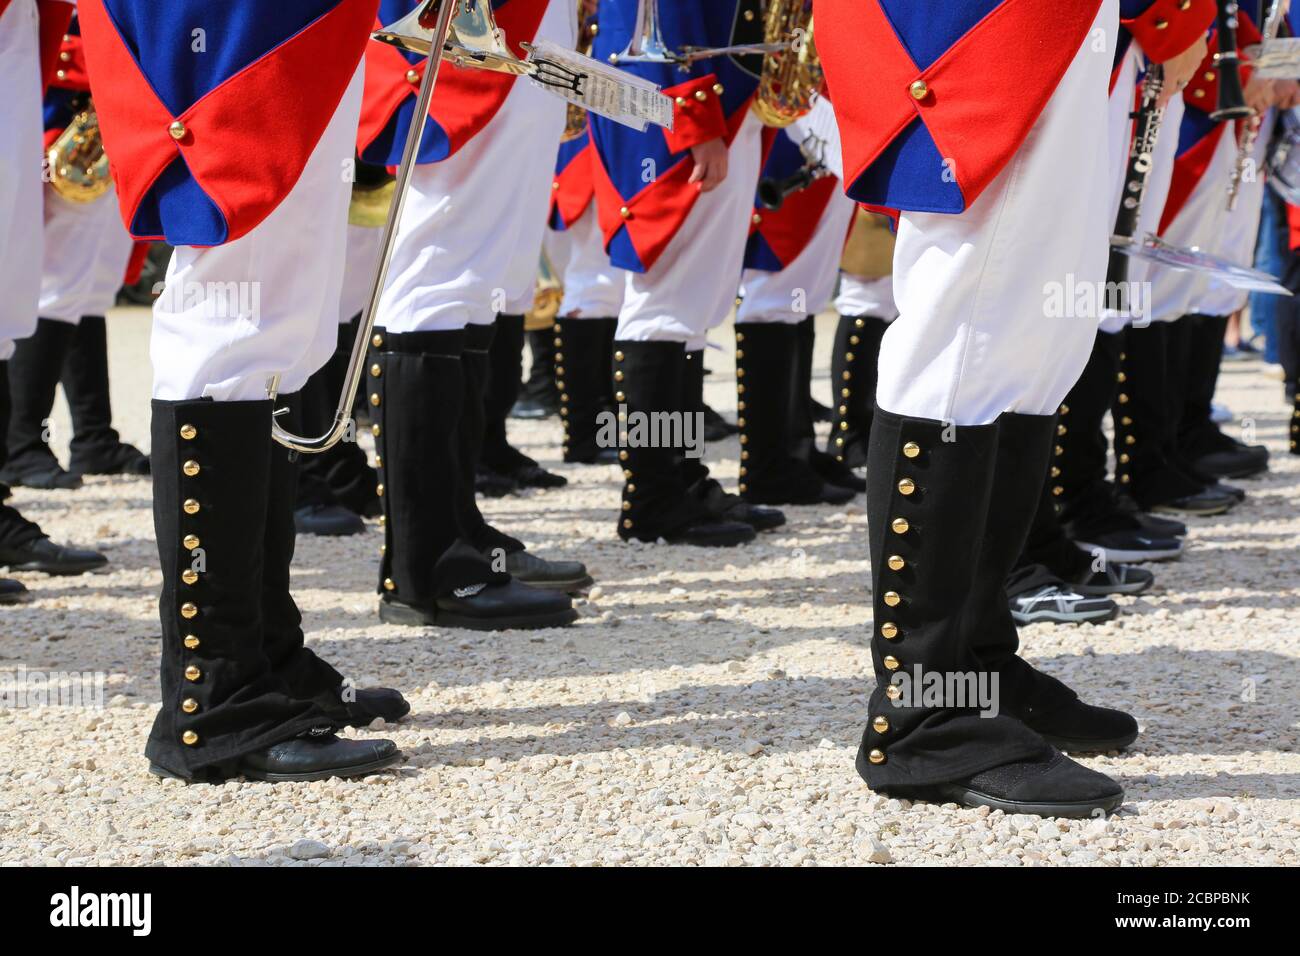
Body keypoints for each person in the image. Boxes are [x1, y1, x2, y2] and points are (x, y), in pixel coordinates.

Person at [817, 0, 1217, 817]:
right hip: (983, 25)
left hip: (1064, 23)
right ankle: (925, 714)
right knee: (966, 335)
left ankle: (974, 664)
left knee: (1033, 348)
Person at [78, 0, 407, 782]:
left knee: (279, 338)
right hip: (235, 26)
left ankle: (263, 656)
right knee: (231, 318)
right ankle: (216, 699)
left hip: (297, 20)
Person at [360, 0, 588, 629]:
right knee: (439, 279)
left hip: (521, 28)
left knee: (478, 283)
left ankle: (457, 530)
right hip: (468, 36)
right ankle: (428, 568)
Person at [590, 0, 784, 548]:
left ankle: (680, 477)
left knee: (691, 313)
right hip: (677, 100)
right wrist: (694, 116)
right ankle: (652, 499)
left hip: (714, 96)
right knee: (664, 307)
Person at [4, 14, 149, 493]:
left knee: (90, 287)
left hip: (111, 107)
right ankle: (22, 443)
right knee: (55, 286)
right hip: (66, 111)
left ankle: (93, 437)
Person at [1, 0, 109, 599]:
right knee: (49, 284)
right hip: (59, 97)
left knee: (29, 287)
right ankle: (23, 443)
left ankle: (30, 448)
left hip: (36, 65)